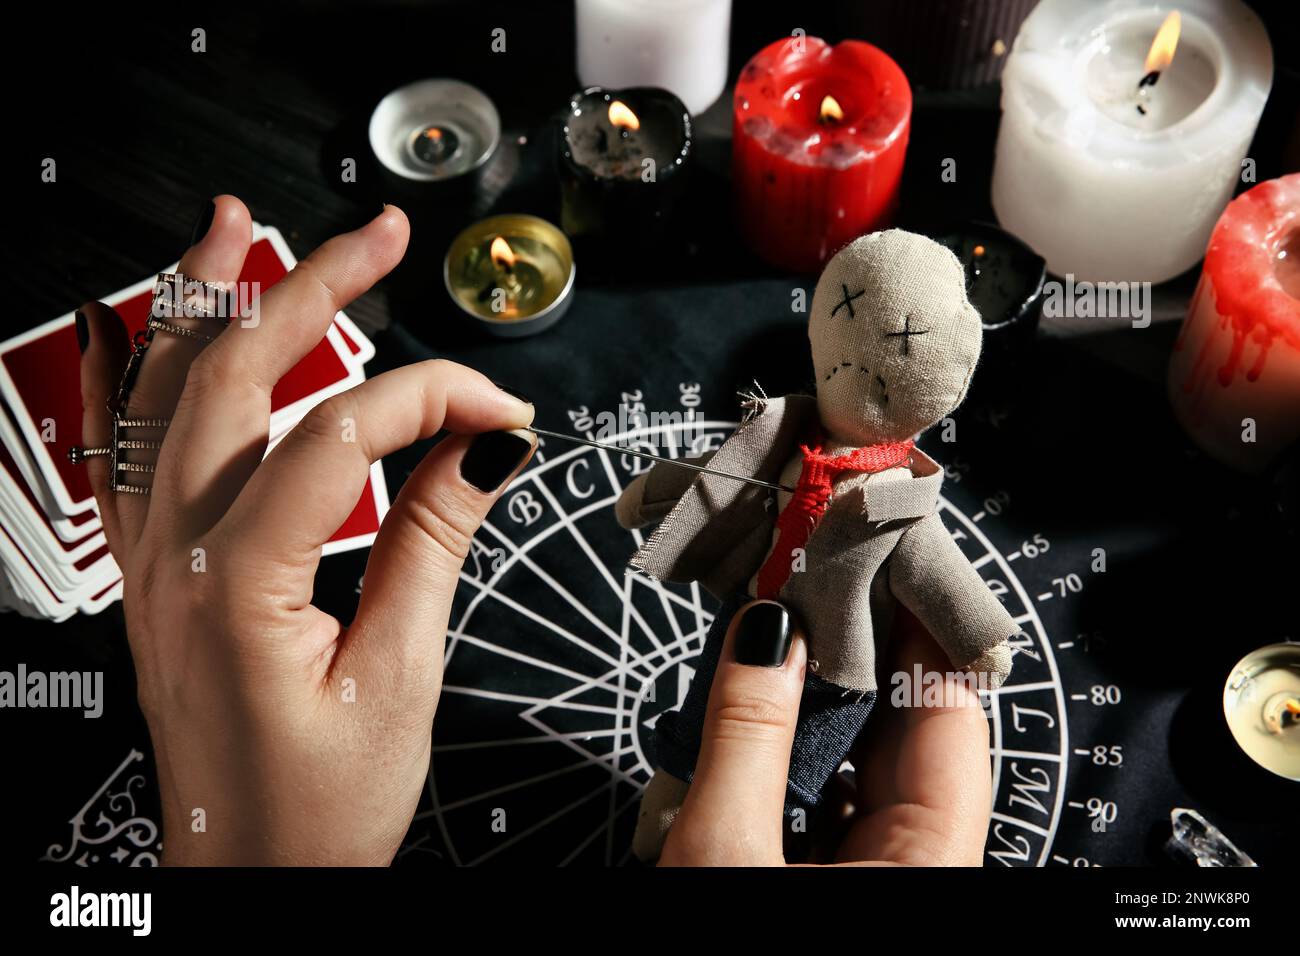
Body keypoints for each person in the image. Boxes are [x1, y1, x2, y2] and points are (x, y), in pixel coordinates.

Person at [74, 195, 992, 866]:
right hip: (744, 618)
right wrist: (655, 496)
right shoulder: (783, 431)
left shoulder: (897, 498)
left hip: (835, 670)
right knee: (703, 728)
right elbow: (728, 486)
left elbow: (941, 577)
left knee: (793, 774)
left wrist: (979, 638)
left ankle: (752, 819)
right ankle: (677, 802)